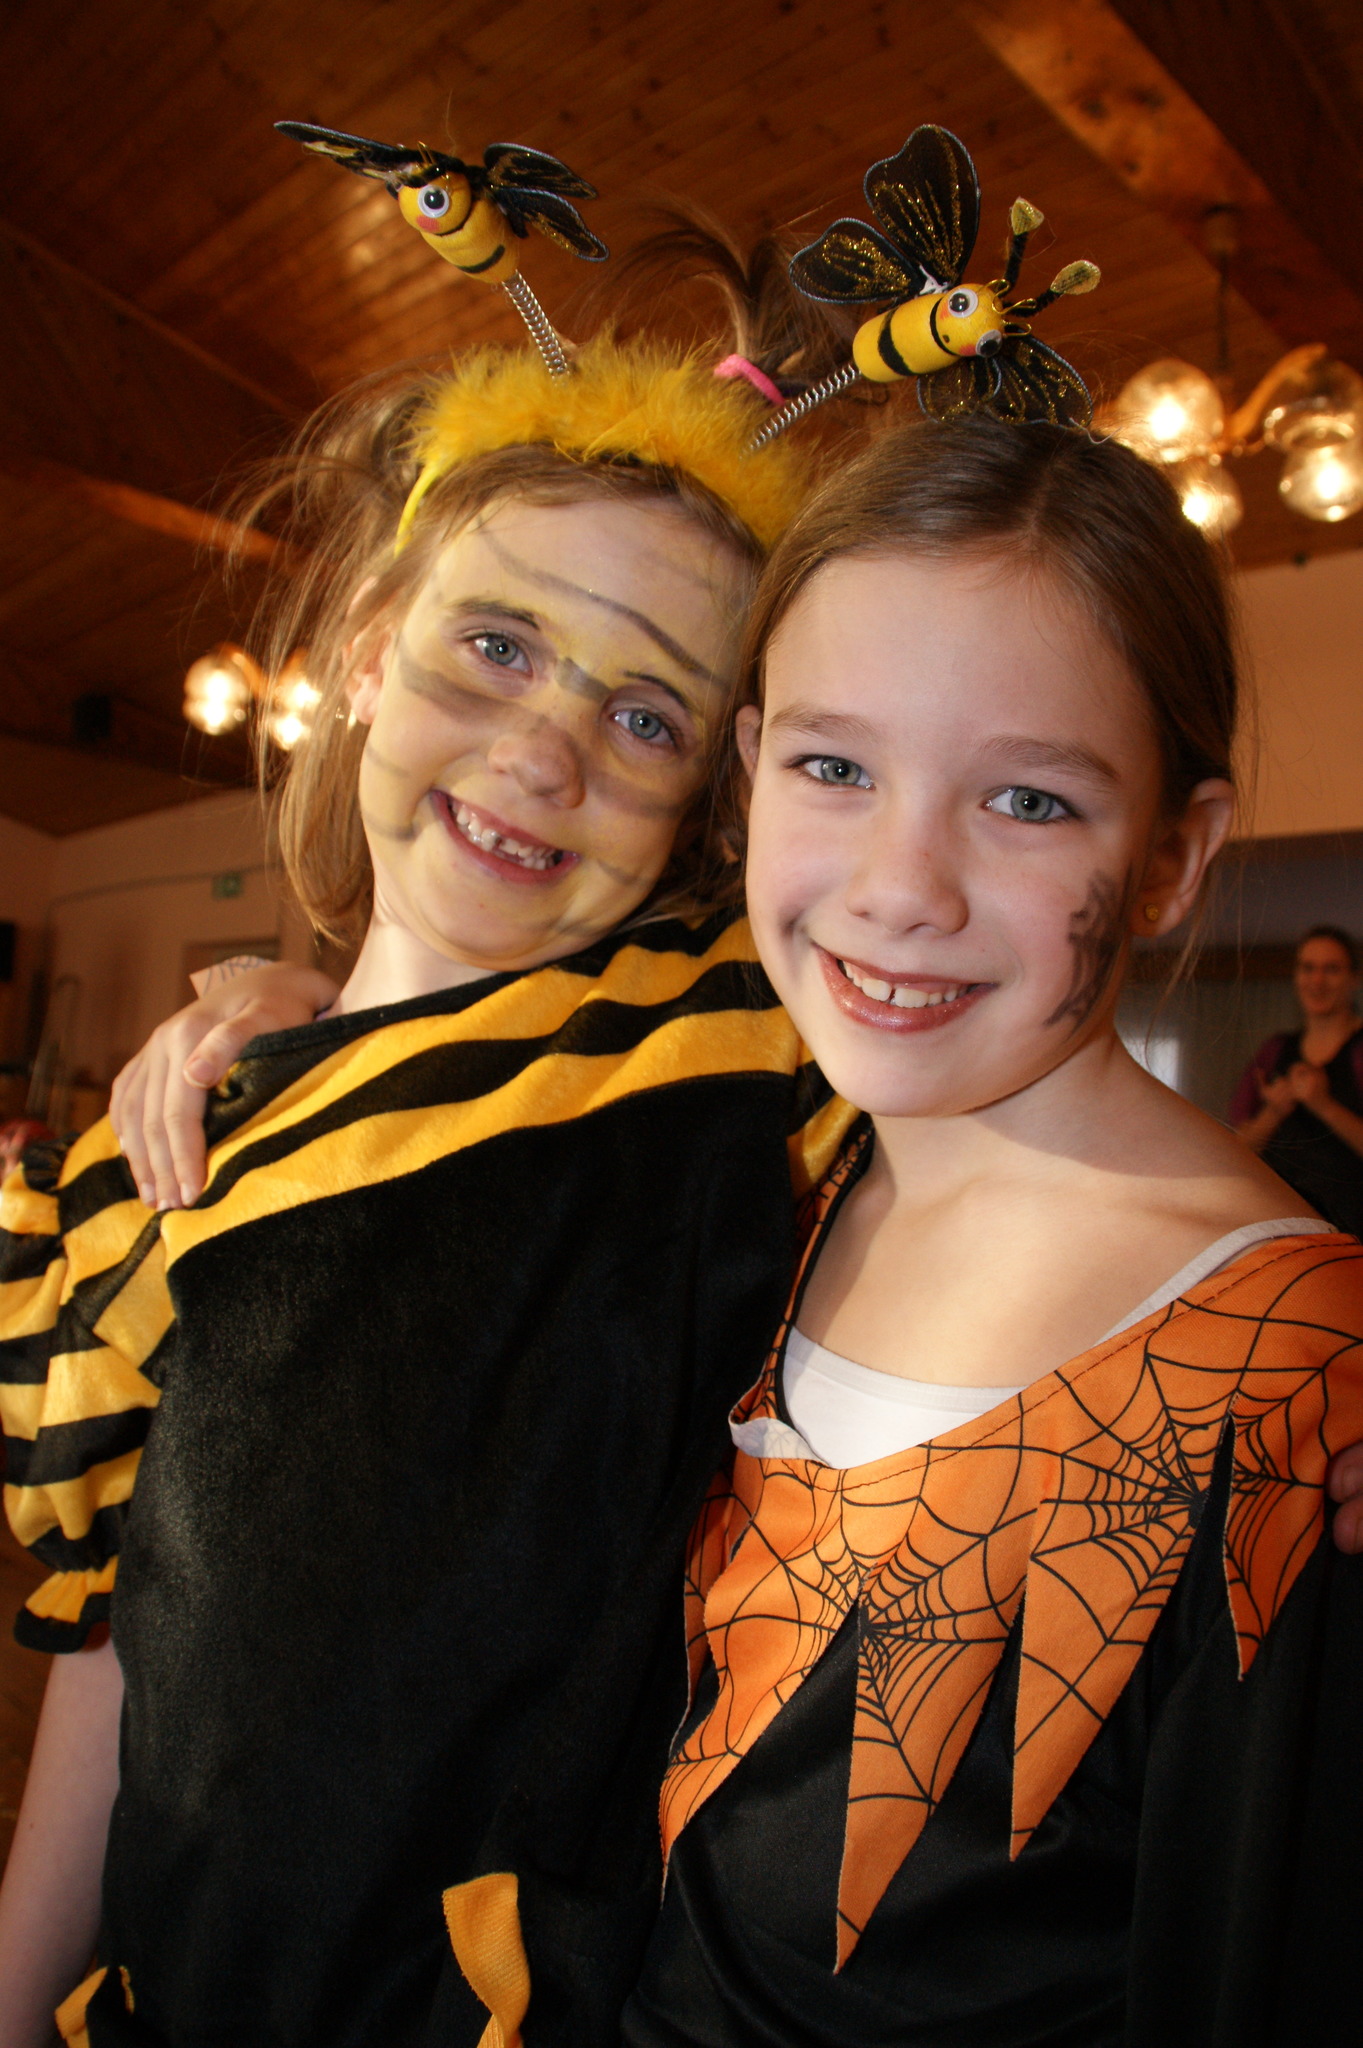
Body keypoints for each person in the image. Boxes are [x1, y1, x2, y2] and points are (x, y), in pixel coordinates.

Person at [0, 241, 860, 2048]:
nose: (544, 752)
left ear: (715, 794)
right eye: (496, 645)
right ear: (367, 651)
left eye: (643, 714)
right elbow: (111, 1650)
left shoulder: (735, 1048)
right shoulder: (154, 1162)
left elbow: (1030, 1154)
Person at [616, 415, 1363, 2045]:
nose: (901, 886)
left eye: (1026, 799)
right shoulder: (783, 1174)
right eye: (833, 767)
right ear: (747, 769)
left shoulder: (1282, 1369)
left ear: (1171, 857)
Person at [1231, 926, 1363, 1235]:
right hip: (1282, 1229)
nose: (1317, 981)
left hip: (1352, 1233)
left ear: (1354, 978)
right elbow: (1236, 1151)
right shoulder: (1274, 1051)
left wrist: (1324, 1106)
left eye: (1332, 969)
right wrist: (1273, 1112)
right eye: (1308, 968)